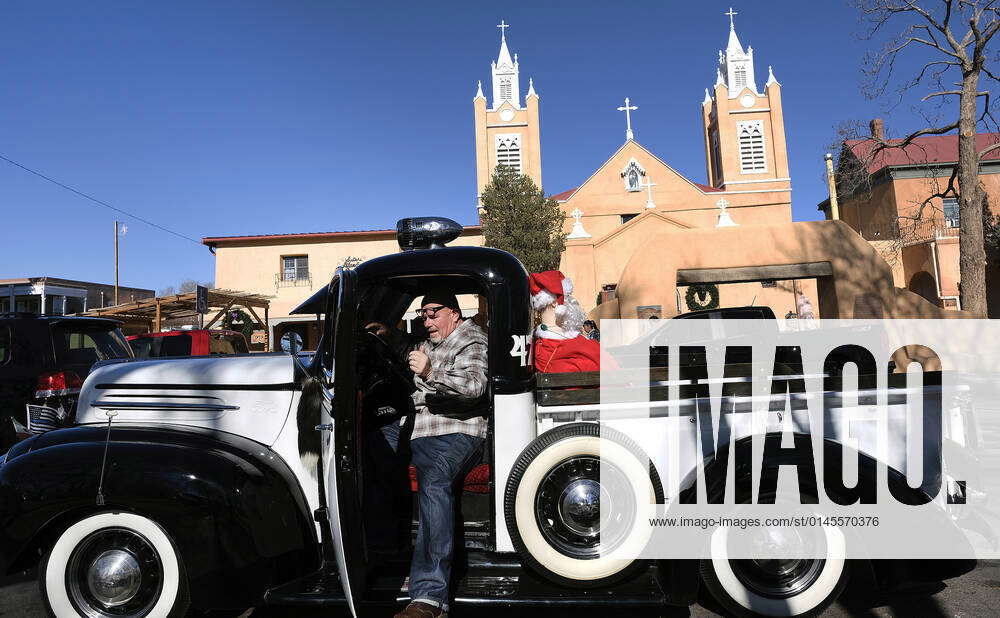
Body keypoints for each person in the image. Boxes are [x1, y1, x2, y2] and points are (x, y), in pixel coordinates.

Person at [370, 289, 488, 618]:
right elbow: (411, 349)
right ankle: (380, 548)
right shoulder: (430, 343)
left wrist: (430, 373)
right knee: (366, 444)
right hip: (420, 426)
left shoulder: (472, 339)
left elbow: (474, 386)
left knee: (434, 478)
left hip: (457, 429)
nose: (428, 320)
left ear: (455, 313)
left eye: (433, 313)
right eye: (423, 315)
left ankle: (430, 597)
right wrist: (389, 334)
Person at [529, 271, 601, 373]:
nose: (570, 300)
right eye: (566, 297)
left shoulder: (537, 347)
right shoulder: (583, 347)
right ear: (555, 303)